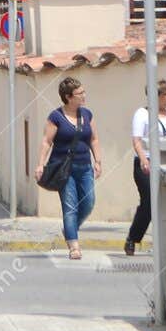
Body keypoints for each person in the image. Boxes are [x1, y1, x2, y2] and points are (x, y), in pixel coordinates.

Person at [35, 76, 103, 260]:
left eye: (83, 92)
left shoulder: (87, 114)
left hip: (85, 166)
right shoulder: (56, 117)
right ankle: (74, 245)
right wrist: (40, 164)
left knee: (88, 203)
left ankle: (69, 228)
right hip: (64, 169)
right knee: (70, 207)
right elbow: (46, 141)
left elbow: (94, 139)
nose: (84, 95)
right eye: (80, 93)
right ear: (68, 97)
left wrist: (98, 161)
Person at [126, 79, 166, 256]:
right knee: (149, 201)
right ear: (155, 97)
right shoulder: (142, 114)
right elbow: (137, 140)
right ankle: (133, 238)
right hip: (146, 162)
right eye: (164, 94)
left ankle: (165, 242)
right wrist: (143, 159)